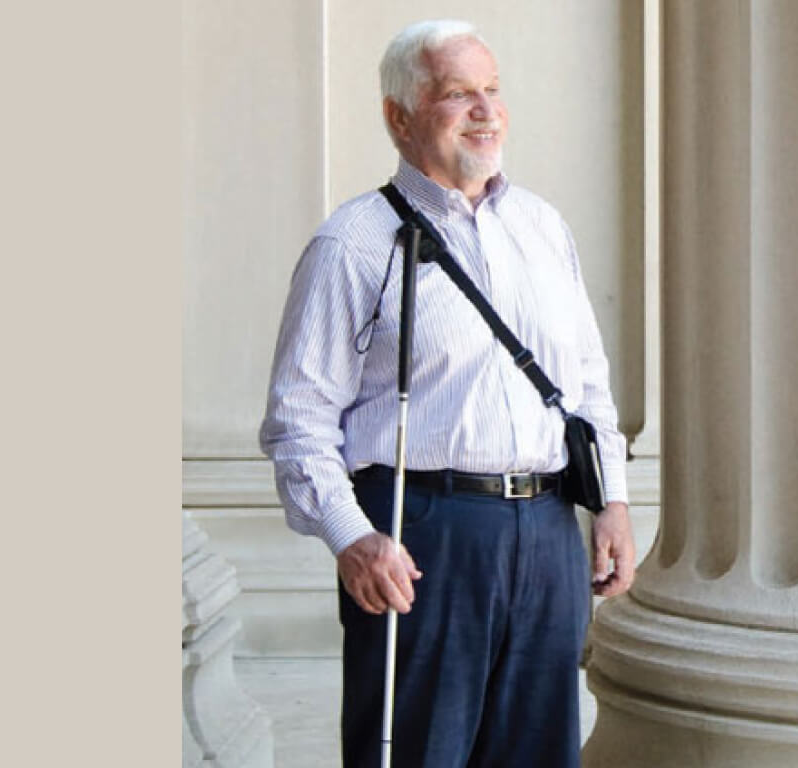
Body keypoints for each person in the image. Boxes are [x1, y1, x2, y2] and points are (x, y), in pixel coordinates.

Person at [259, 18, 636, 768]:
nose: (486, 111)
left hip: (549, 528)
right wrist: (351, 537)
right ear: (399, 116)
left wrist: (613, 503)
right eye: (456, 95)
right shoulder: (354, 244)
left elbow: (586, 381)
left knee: (538, 752)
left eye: (492, 91)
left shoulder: (542, 226)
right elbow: (298, 423)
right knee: (417, 753)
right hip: (424, 532)